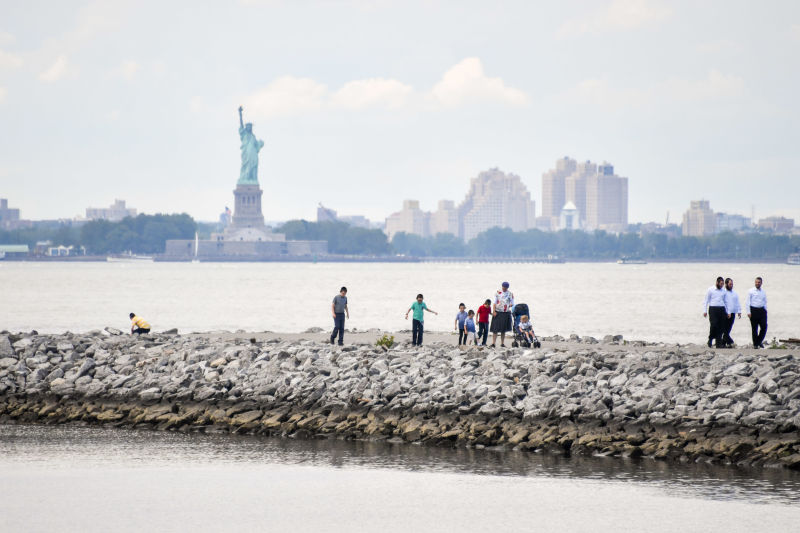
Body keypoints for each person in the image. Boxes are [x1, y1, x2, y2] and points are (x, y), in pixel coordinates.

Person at [702, 277, 731, 348]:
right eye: (721, 284)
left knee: (721, 327)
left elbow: (726, 302)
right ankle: (710, 339)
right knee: (714, 325)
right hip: (713, 309)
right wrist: (704, 311)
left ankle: (718, 343)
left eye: (723, 284)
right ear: (717, 282)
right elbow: (706, 301)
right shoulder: (710, 289)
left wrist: (728, 312)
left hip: (721, 309)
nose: (722, 285)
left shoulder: (724, 291)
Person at [745, 276, 768, 348]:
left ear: (761, 283)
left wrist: (765, 310)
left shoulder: (763, 292)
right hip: (753, 310)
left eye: (759, 282)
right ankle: (755, 344)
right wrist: (748, 312)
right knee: (754, 328)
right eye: (756, 282)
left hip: (762, 311)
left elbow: (765, 301)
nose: (757, 283)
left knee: (764, 326)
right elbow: (747, 302)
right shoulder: (751, 291)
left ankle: (759, 341)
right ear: (755, 283)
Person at [490, 282, 514, 348]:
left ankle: (502, 343)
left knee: (503, 330)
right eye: (503, 287)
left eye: (505, 287)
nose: (504, 288)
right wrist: (494, 311)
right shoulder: (498, 292)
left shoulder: (510, 294)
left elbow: (512, 302)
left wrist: (510, 305)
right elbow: (494, 303)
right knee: (495, 329)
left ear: (507, 287)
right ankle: (493, 343)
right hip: (498, 312)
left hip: (505, 312)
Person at [721, 278, 741, 347]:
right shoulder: (723, 292)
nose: (731, 285)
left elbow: (737, 302)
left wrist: (739, 311)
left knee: (728, 329)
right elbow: (723, 303)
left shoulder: (735, 293)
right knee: (724, 330)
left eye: (732, 284)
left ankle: (723, 343)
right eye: (730, 284)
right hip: (725, 313)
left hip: (733, 313)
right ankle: (730, 342)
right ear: (726, 284)